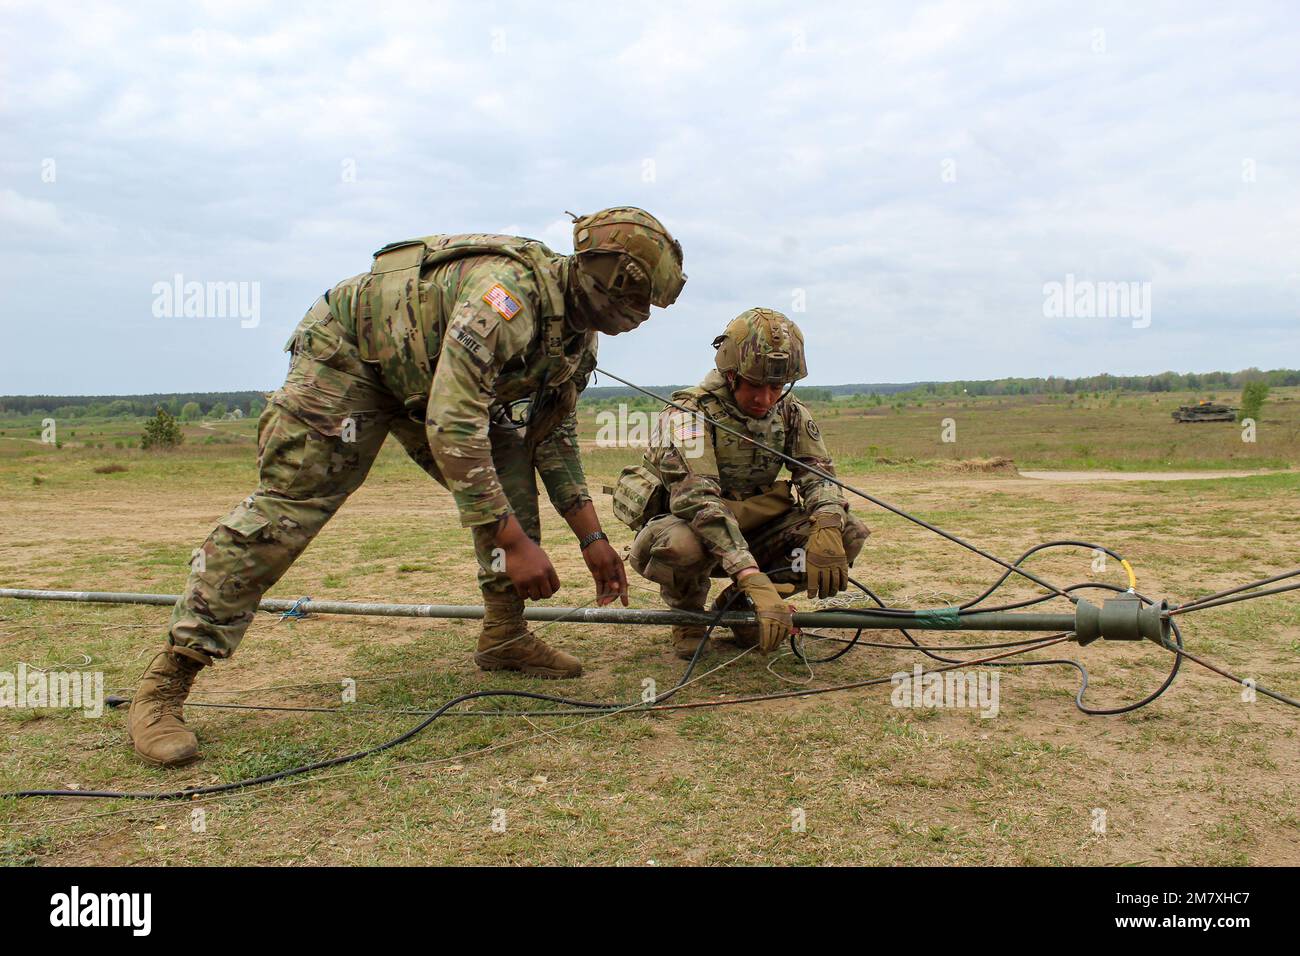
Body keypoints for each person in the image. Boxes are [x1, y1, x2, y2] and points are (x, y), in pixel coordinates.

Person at [129, 208, 686, 767]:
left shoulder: (576, 334)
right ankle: (169, 680)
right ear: (602, 277)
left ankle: (504, 636)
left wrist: (591, 539)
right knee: (293, 504)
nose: (641, 318)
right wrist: (512, 542)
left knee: (509, 469)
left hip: (425, 382)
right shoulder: (506, 298)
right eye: (636, 303)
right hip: (351, 359)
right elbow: (454, 422)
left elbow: (550, 432)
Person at [616, 308, 868, 659]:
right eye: (755, 386)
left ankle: (743, 606)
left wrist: (827, 520)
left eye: (776, 387)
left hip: (756, 528)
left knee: (848, 532)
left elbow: (818, 473)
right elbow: (698, 502)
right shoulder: (688, 415)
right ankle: (689, 616)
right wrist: (749, 572)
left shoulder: (790, 412)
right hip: (694, 530)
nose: (765, 399)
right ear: (731, 375)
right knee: (680, 545)